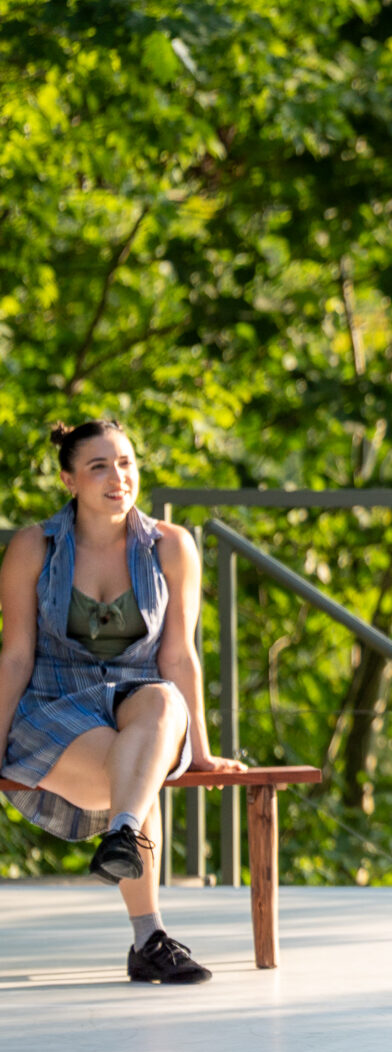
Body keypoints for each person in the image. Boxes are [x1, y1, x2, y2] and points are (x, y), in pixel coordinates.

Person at [1, 420, 245, 983]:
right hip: (56, 708)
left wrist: (202, 755)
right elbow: (14, 656)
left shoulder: (170, 546)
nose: (120, 478)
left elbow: (179, 657)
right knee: (137, 761)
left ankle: (123, 834)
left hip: (140, 703)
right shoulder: (34, 547)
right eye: (100, 466)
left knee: (159, 709)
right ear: (69, 480)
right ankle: (149, 939)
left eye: (128, 462)